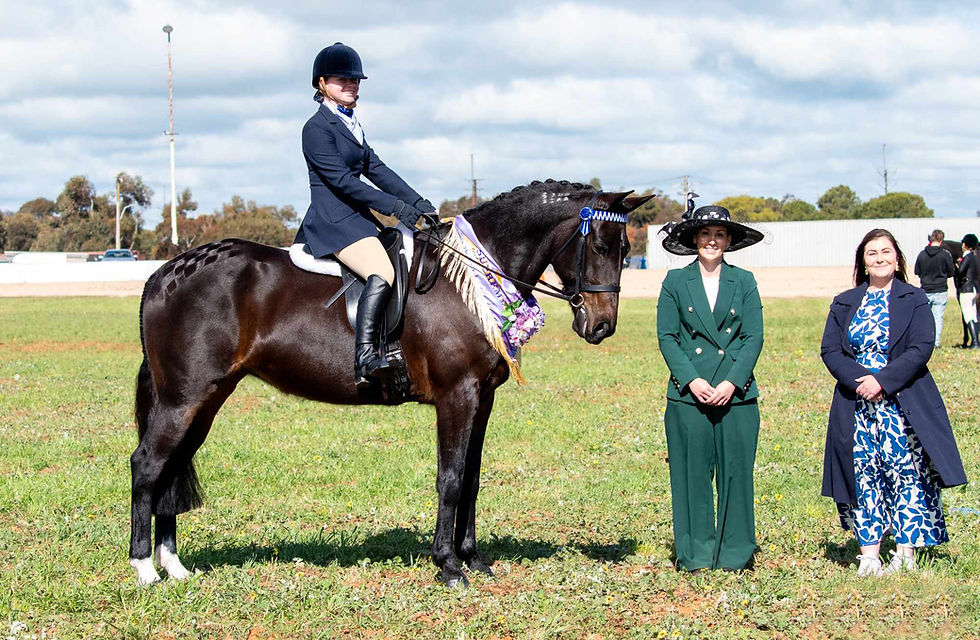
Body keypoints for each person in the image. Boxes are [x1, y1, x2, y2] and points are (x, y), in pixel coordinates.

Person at [820, 229, 967, 576]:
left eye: (886, 251)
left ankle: (905, 550)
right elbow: (830, 350)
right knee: (863, 473)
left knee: (906, 472)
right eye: (872, 253)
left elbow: (921, 348)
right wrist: (861, 381)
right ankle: (869, 554)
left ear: (897, 258)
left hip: (902, 403)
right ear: (863, 261)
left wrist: (882, 381)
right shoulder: (844, 302)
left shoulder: (913, 299)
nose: (879, 258)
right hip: (856, 403)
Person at [295, 43, 436, 386]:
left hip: (358, 220)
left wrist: (419, 204)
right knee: (381, 271)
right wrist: (393, 207)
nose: (352, 85)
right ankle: (365, 358)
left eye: (356, 80)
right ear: (322, 83)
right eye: (343, 79)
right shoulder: (316, 129)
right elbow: (342, 182)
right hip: (334, 221)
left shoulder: (351, 125)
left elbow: (378, 169)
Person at [656, 205, 765, 572]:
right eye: (705, 234)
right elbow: (667, 337)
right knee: (690, 475)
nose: (712, 241)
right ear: (694, 240)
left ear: (729, 241)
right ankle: (695, 554)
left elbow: (753, 337)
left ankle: (735, 553)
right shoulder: (674, 282)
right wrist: (693, 379)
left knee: (736, 472)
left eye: (719, 234)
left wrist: (732, 382)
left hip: (737, 394)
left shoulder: (745, 281)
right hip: (689, 395)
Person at [913, 229, 955, 348]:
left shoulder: (922, 254)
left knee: (924, 318)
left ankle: (923, 341)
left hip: (925, 289)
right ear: (941, 240)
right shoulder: (945, 255)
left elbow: (917, 271)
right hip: (941, 289)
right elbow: (951, 272)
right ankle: (935, 343)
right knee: (938, 317)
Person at [955, 233, 979, 349]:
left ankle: (975, 342)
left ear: (965, 244)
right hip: (975, 288)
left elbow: (961, 272)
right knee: (974, 315)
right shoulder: (974, 257)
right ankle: (976, 341)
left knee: (968, 316)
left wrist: (957, 266)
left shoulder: (967, 256)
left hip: (966, 289)